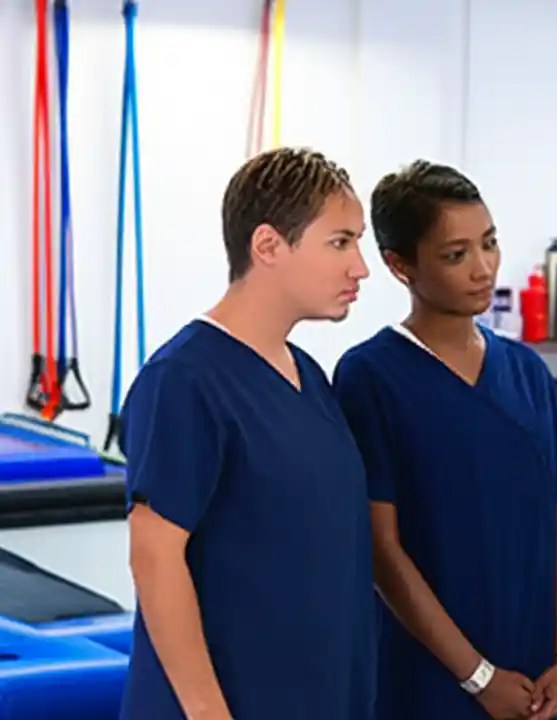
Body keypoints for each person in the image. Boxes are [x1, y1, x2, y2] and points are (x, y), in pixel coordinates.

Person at [118, 147, 377, 719]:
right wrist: (207, 711)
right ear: (268, 246)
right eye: (340, 243)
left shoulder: (307, 375)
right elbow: (155, 556)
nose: (360, 267)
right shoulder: (184, 380)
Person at [332, 160, 557, 720]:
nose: (483, 268)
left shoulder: (526, 373)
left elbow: (555, 525)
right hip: (430, 679)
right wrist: (478, 677)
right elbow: (381, 550)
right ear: (400, 265)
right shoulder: (369, 378)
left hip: (536, 682)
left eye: (489, 244)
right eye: (455, 255)